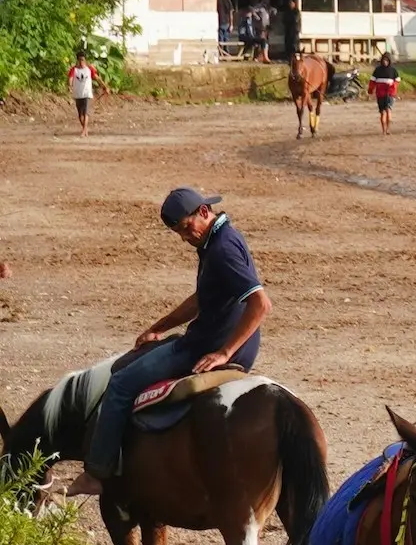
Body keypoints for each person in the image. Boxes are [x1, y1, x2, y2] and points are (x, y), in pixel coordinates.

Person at [66, 189, 272, 499]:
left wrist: (224, 352)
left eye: (188, 228)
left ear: (204, 211)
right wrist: (158, 327)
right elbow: (204, 297)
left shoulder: (222, 250)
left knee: (121, 383)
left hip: (207, 347)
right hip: (225, 340)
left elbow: (261, 304)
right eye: (179, 233)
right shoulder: (218, 239)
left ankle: (96, 471)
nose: (185, 237)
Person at [68, 52, 99, 135]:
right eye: (80, 60)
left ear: (85, 60)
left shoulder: (89, 69)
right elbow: (70, 78)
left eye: (83, 60)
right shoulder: (74, 69)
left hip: (87, 93)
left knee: (85, 112)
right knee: (80, 114)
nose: (81, 62)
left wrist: (104, 86)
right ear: (77, 60)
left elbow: (96, 77)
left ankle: (84, 129)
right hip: (77, 94)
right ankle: (85, 129)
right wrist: (70, 86)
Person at [371, 49, 400, 133]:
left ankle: (388, 129)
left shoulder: (393, 70)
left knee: (388, 110)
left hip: (390, 94)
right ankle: (384, 130)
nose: (385, 62)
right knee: (383, 112)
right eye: (384, 60)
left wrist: (393, 87)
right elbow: (372, 81)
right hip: (380, 94)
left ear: (389, 61)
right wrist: (370, 90)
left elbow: (397, 81)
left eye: (386, 60)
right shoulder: (377, 70)